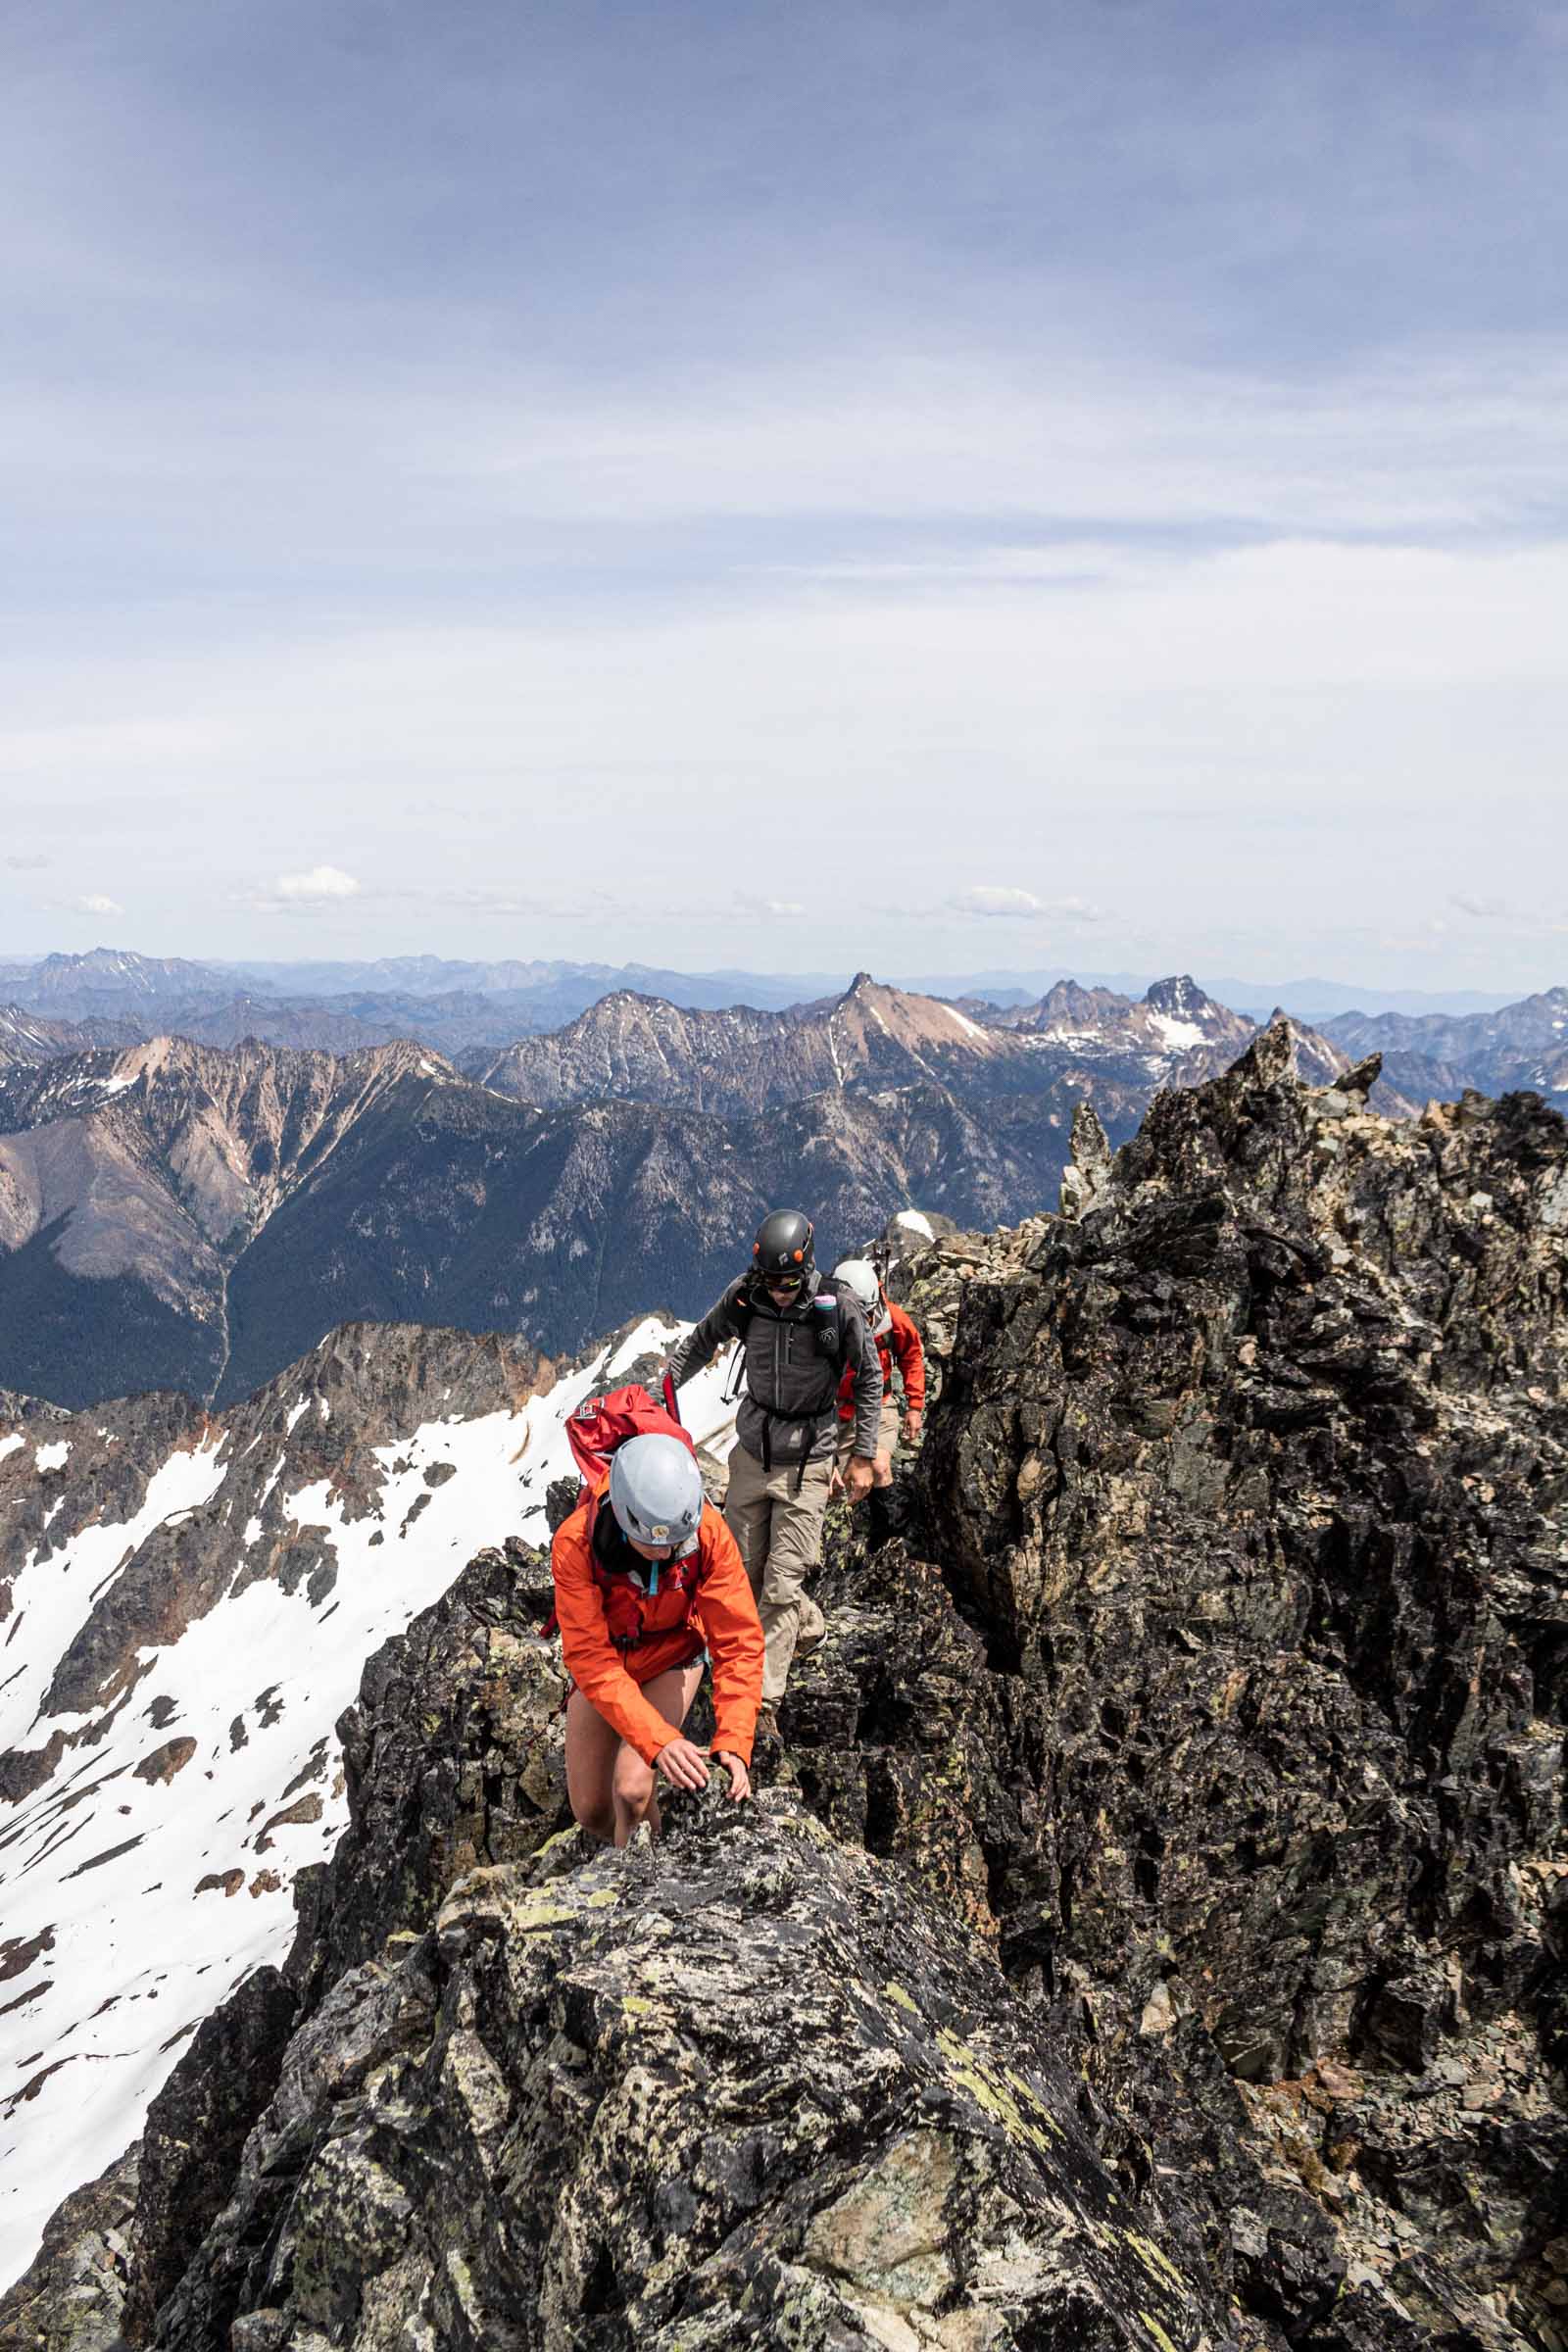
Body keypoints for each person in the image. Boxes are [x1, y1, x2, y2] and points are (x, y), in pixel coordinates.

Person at [667, 1208, 882, 1723]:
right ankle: (808, 1626)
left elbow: (870, 1376)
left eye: (788, 1283)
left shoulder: (837, 1307)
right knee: (742, 1572)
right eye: (771, 1282)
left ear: (807, 1267)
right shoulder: (746, 1297)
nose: (780, 1292)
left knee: (781, 1583)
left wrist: (863, 1455)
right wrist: (662, 1392)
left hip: (808, 1464)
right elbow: (702, 1341)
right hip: (751, 1456)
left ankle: (759, 1703)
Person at [553, 1430, 763, 1844]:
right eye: (651, 1543)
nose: (666, 1554)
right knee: (591, 1809)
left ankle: (648, 1866)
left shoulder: (708, 1533)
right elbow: (590, 1658)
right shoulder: (575, 1544)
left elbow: (737, 1638)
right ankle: (630, 1849)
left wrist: (735, 1739)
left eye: (675, 1543)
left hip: (674, 1654)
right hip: (608, 1662)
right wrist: (658, 1739)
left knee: (631, 1790)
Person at [830, 1258, 926, 1493]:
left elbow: (912, 1356)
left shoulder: (893, 1320)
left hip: (880, 1404)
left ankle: (887, 1515)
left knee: (879, 1467)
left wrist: (914, 1406)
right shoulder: (825, 1326)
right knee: (834, 1483)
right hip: (836, 1411)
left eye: (866, 1315)